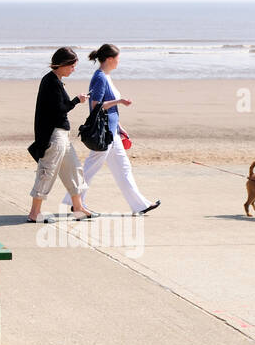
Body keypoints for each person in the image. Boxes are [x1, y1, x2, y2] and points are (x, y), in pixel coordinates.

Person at [61, 44, 161, 216]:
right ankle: (72, 202)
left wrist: (120, 127)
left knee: (123, 167)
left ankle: (139, 205)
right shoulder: (100, 77)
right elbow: (95, 106)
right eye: (117, 58)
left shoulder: (106, 76)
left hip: (112, 131)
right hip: (104, 133)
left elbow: (110, 110)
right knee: (91, 168)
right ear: (109, 59)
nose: (119, 61)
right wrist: (120, 101)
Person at [26, 47, 96, 223]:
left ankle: (78, 208)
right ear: (63, 64)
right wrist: (76, 101)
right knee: (47, 172)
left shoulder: (55, 80)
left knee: (74, 169)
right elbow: (59, 111)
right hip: (54, 136)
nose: (74, 69)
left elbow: (58, 108)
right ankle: (34, 213)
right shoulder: (51, 81)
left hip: (62, 135)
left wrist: (74, 101)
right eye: (72, 66)